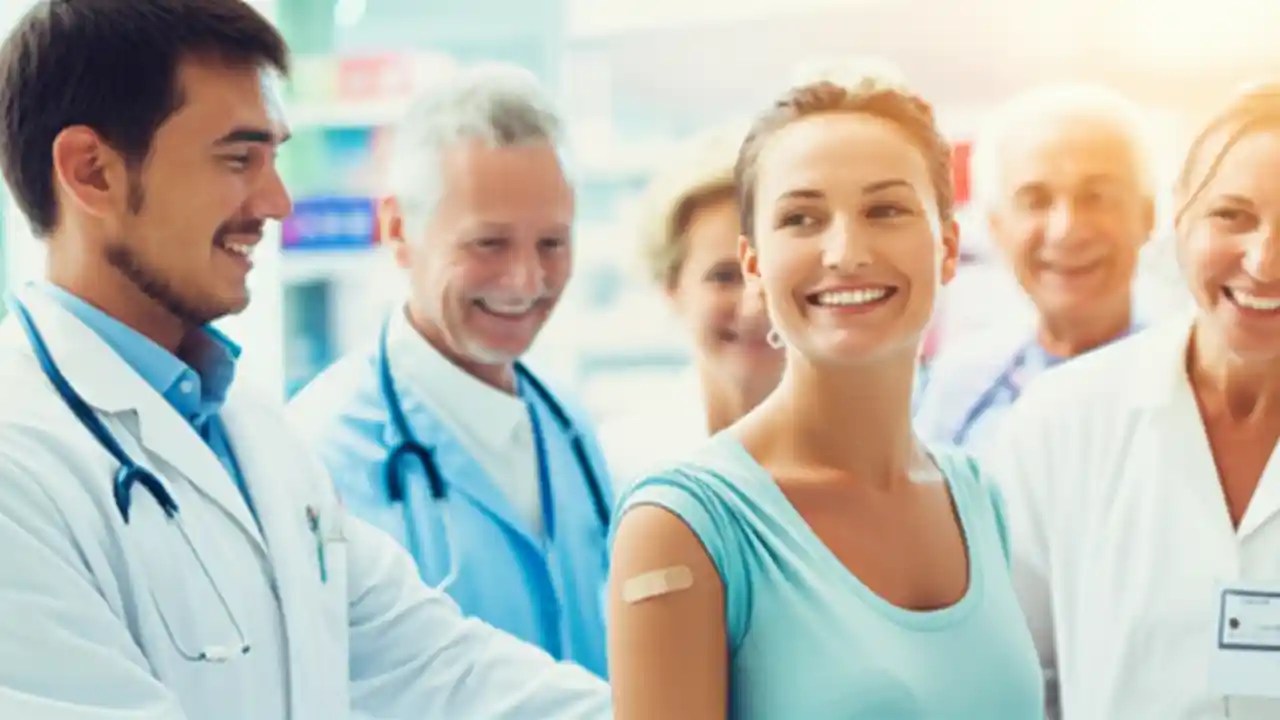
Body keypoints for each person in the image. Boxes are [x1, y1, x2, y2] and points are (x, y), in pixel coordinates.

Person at [0, 3, 609, 718]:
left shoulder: (255, 432)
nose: (278, 202)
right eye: (238, 158)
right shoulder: (20, 463)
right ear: (92, 172)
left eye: (274, 159)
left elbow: (438, 665)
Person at [606, 75, 1043, 718]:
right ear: (755, 264)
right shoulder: (682, 528)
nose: (845, 252)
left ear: (947, 248)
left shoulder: (979, 498)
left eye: (885, 210)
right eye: (801, 219)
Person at [287, 63, 613, 677]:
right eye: (487, 243)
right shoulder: (316, 454)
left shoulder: (569, 427)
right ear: (398, 229)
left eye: (552, 243)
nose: (526, 280)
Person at [990, 83, 1280, 719]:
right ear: (1180, 218)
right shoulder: (1060, 421)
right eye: (1232, 215)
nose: (1264, 261)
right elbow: (1003, 673)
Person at [913, 84, 1156, 456]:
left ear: (1147, 216)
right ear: (996, 228)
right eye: (1035, 201)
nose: (1067, 230)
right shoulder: (959, 387)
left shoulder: (1207, 384)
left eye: (1097, 197)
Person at [598, 124, 783, 490]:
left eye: (773, 272)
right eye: (724, 276)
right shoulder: (617, 467)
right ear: (671, 287)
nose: (754, 305)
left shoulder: (872, 451)